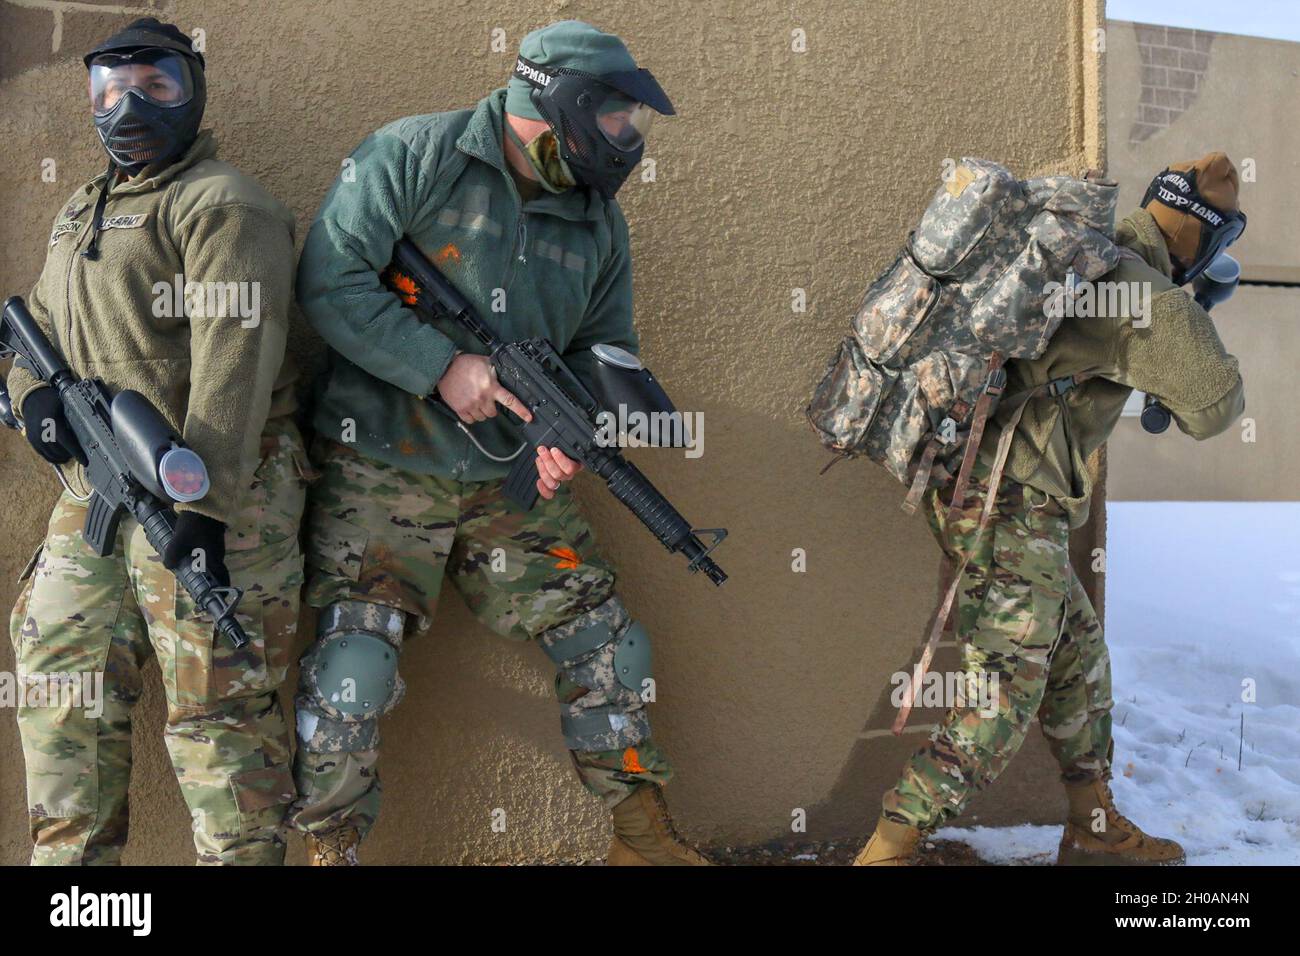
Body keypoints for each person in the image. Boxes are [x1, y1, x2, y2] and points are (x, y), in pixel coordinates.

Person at [290, 19, 707, 866]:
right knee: (353, 670)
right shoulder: (415, 155)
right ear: (566, 105)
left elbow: (605, 344)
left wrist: (575, 430)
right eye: (622, 118)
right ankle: (330, 848)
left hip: (507, 475)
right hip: (384, 463)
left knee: (610, 644)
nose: (628, 139)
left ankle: (643, 838)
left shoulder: (596, 221)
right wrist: (438, 365)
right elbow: (328, 280)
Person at [856, 152, 1247, 866]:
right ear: (1205, 234)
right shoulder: (1148, 296)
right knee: (1005, 690)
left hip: (979, 487)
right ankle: (886, 848)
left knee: (1076, 654)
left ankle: (1092, 828)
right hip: (1010, 501)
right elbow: (1215, 409)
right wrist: (1192, 320)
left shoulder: (1090, 258)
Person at [6, 17, 306, 865]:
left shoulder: (222, 202)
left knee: (219, 719)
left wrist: (203, 511)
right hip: (92, 489)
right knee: (60, 689)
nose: (128, 105)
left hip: (211, 487)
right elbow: (37, 329)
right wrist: (35, 404)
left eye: (156, 84)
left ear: (194, 90)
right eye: (108, 88)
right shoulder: (79, 207)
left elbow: (234, 367)